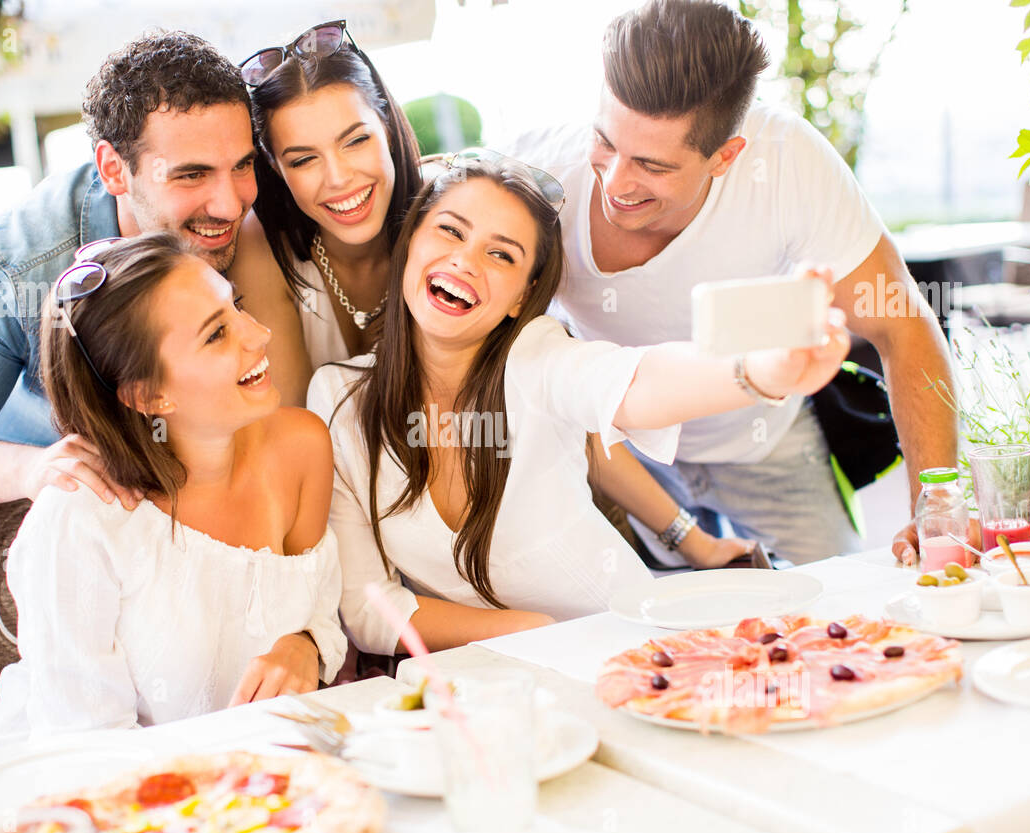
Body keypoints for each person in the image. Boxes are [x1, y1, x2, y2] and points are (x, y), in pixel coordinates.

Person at [235, 20, 753, 571]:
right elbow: (294, 434)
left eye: (356, 140)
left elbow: (560, 388)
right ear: (275, 167)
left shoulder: (451, 214)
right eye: (302, 159)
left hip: (521, 515)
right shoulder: (264, 245)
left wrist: (688, 537)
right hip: (382, 533)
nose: (338, 179)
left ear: (387, 126)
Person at [306, 157, 849, 655]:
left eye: (501, 254)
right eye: (450, 230)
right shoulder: (337, 401)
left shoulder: (535, 354)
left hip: (638, 649)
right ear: (410, 241)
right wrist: (530, 632)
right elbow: (370, 609)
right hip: (499, 686)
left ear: (523, 294)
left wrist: (758, 371)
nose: (466, 260)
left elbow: (630, 383)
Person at [507, 0, 958, 566]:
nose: (615, 182)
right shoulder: (535, 176)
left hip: (765, 443)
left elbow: (903, 325)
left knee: (842, 604)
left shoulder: (788, 162)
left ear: (726, 157)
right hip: (620, 451)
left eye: (653, 165)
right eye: (605, 141)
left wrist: (935, 509)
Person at [0, 30, 311, 511]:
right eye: (192, 174)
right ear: (113, 168)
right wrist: (34, 469)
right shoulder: (29, 261)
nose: (230, 205)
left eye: (241, 165)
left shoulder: (262, 209)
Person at [0, 233, 344, 751]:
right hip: (83, 795)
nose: (259, 334)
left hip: (252, 784)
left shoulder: (303, 446)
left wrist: (306, 646)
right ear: (147, 394)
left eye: (237, 306)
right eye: (216, 335)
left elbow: (319, 612)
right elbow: (88, 747)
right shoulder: (80, 518)